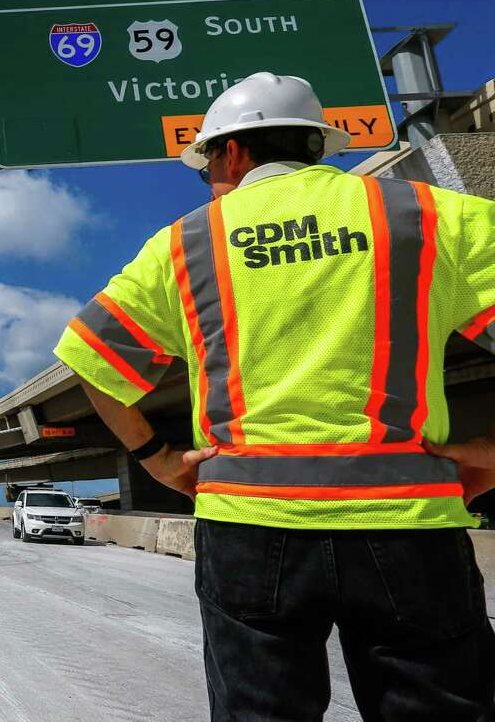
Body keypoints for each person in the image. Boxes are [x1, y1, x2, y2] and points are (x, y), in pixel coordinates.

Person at [53, 72, 495, 719]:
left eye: (206, 164)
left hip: (251, 530)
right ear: (315, 144)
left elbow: (91, 358)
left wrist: (156, 458)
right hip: (407, 527)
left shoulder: (186, 243)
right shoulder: (426, 214)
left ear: (231, 153)